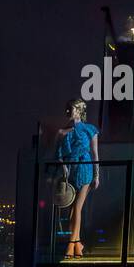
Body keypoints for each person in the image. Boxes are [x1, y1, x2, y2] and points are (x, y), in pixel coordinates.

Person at [55, 99, 100, 258]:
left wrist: (96, 175)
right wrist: (64, 167)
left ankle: (71, 244)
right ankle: (77, 243)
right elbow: (58, 155)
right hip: (70, 172)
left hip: (85, 168)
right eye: (67, 109)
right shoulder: (62, 132)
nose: (68, 111)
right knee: (72, 210)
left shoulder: (90, 130)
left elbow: (95, 154)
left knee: (77, 208)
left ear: (79, 110)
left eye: (71, 108)